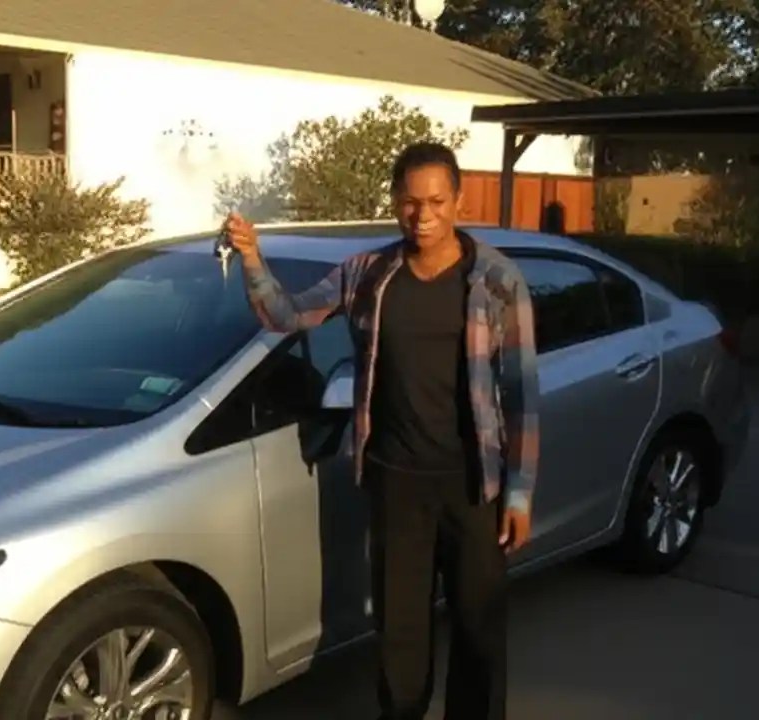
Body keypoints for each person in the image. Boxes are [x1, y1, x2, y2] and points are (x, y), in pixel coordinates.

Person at [222, 141, 540, 720]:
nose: (424, 215)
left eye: (437, 201)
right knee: (399, 635)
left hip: (475, 488)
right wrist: (251, 259)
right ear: (395, 202)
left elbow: (520, 392)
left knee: (478, 632)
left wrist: (518, 492)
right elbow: (287, 316)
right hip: (396, 482)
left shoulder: (496, 280)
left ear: (458, 200)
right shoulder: (368, 275)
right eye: (411, 202)